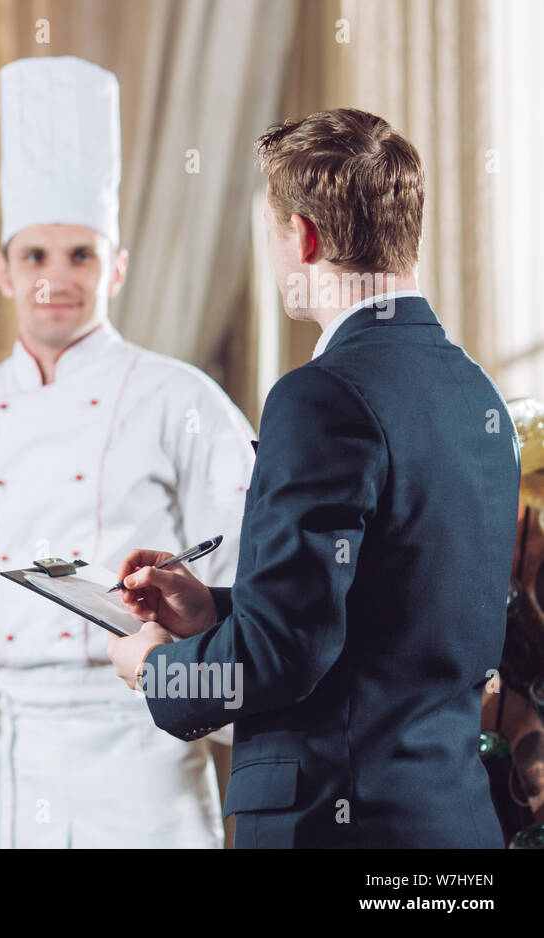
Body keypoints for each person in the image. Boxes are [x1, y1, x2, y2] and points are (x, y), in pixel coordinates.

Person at [108, 108, 521, 848]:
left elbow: (280, 656)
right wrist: (213, 610)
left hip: (339, 824)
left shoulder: (319, 395)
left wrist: (154, 669)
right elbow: (394, 607)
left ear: (303, 236)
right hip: (454, 823)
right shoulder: (477, 393)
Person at [0, 55, 256, 848]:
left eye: (79, 256)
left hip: (140, 722)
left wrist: (193, 688)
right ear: (3, 269)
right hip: (15, 731)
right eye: (35, 257)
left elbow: (238, 568)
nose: (56, 279)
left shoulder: (180, 397)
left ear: (115, 267)